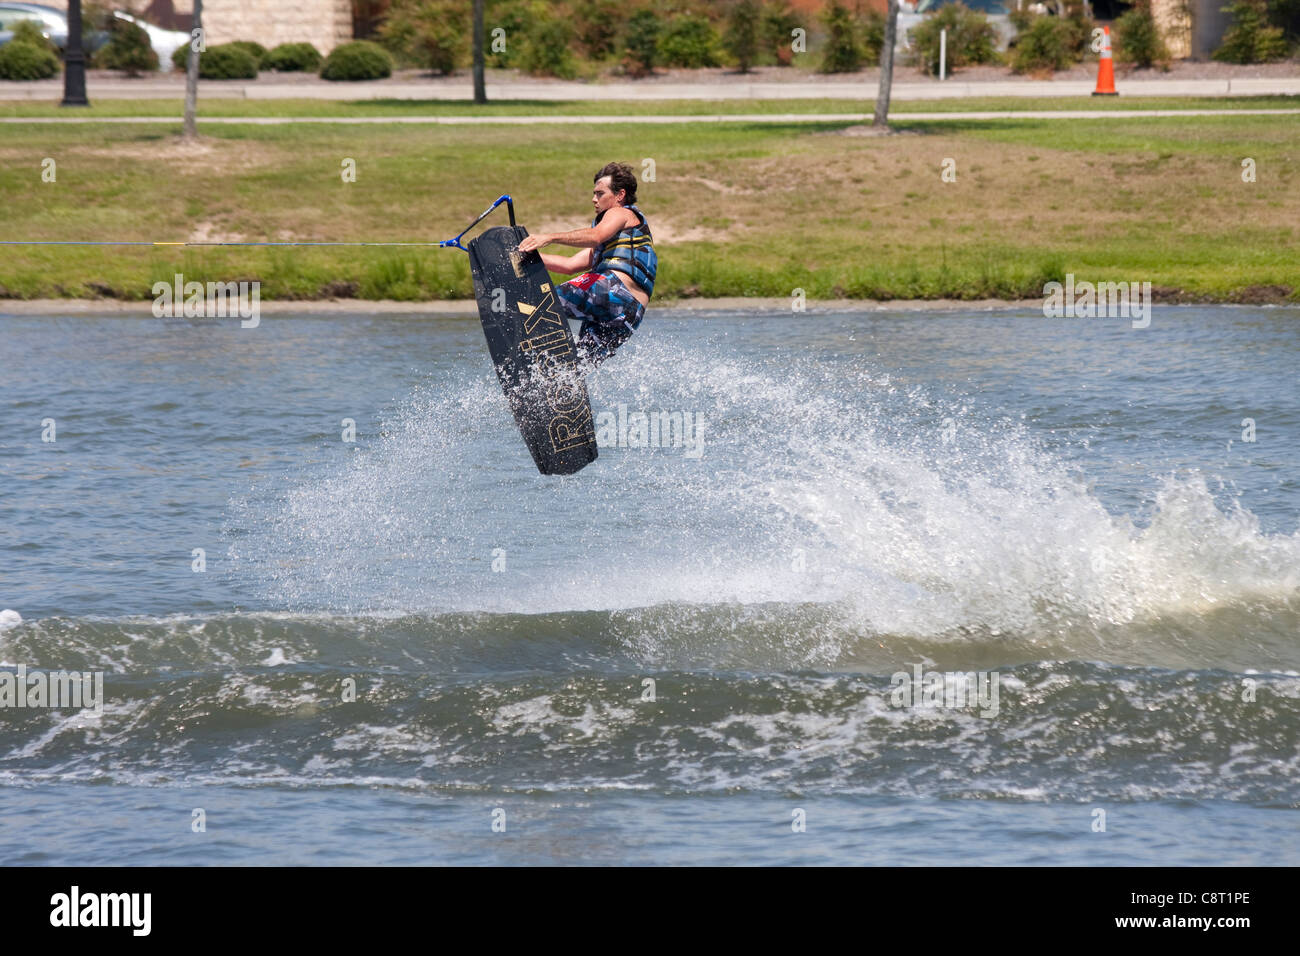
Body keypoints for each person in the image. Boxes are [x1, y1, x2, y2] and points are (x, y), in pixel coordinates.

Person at [518, 162, 656, 370]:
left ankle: (524, 336)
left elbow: (595, 236)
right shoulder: (619, 242)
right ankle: (557, 389)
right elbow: (570, 265)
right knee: (575, 367)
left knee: (539, 305)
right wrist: (524, 256)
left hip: (611, 291)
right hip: (627, 316)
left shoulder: (620, 213)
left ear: (620, 195)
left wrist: (549, 237)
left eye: (600, 193)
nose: (594, 199)